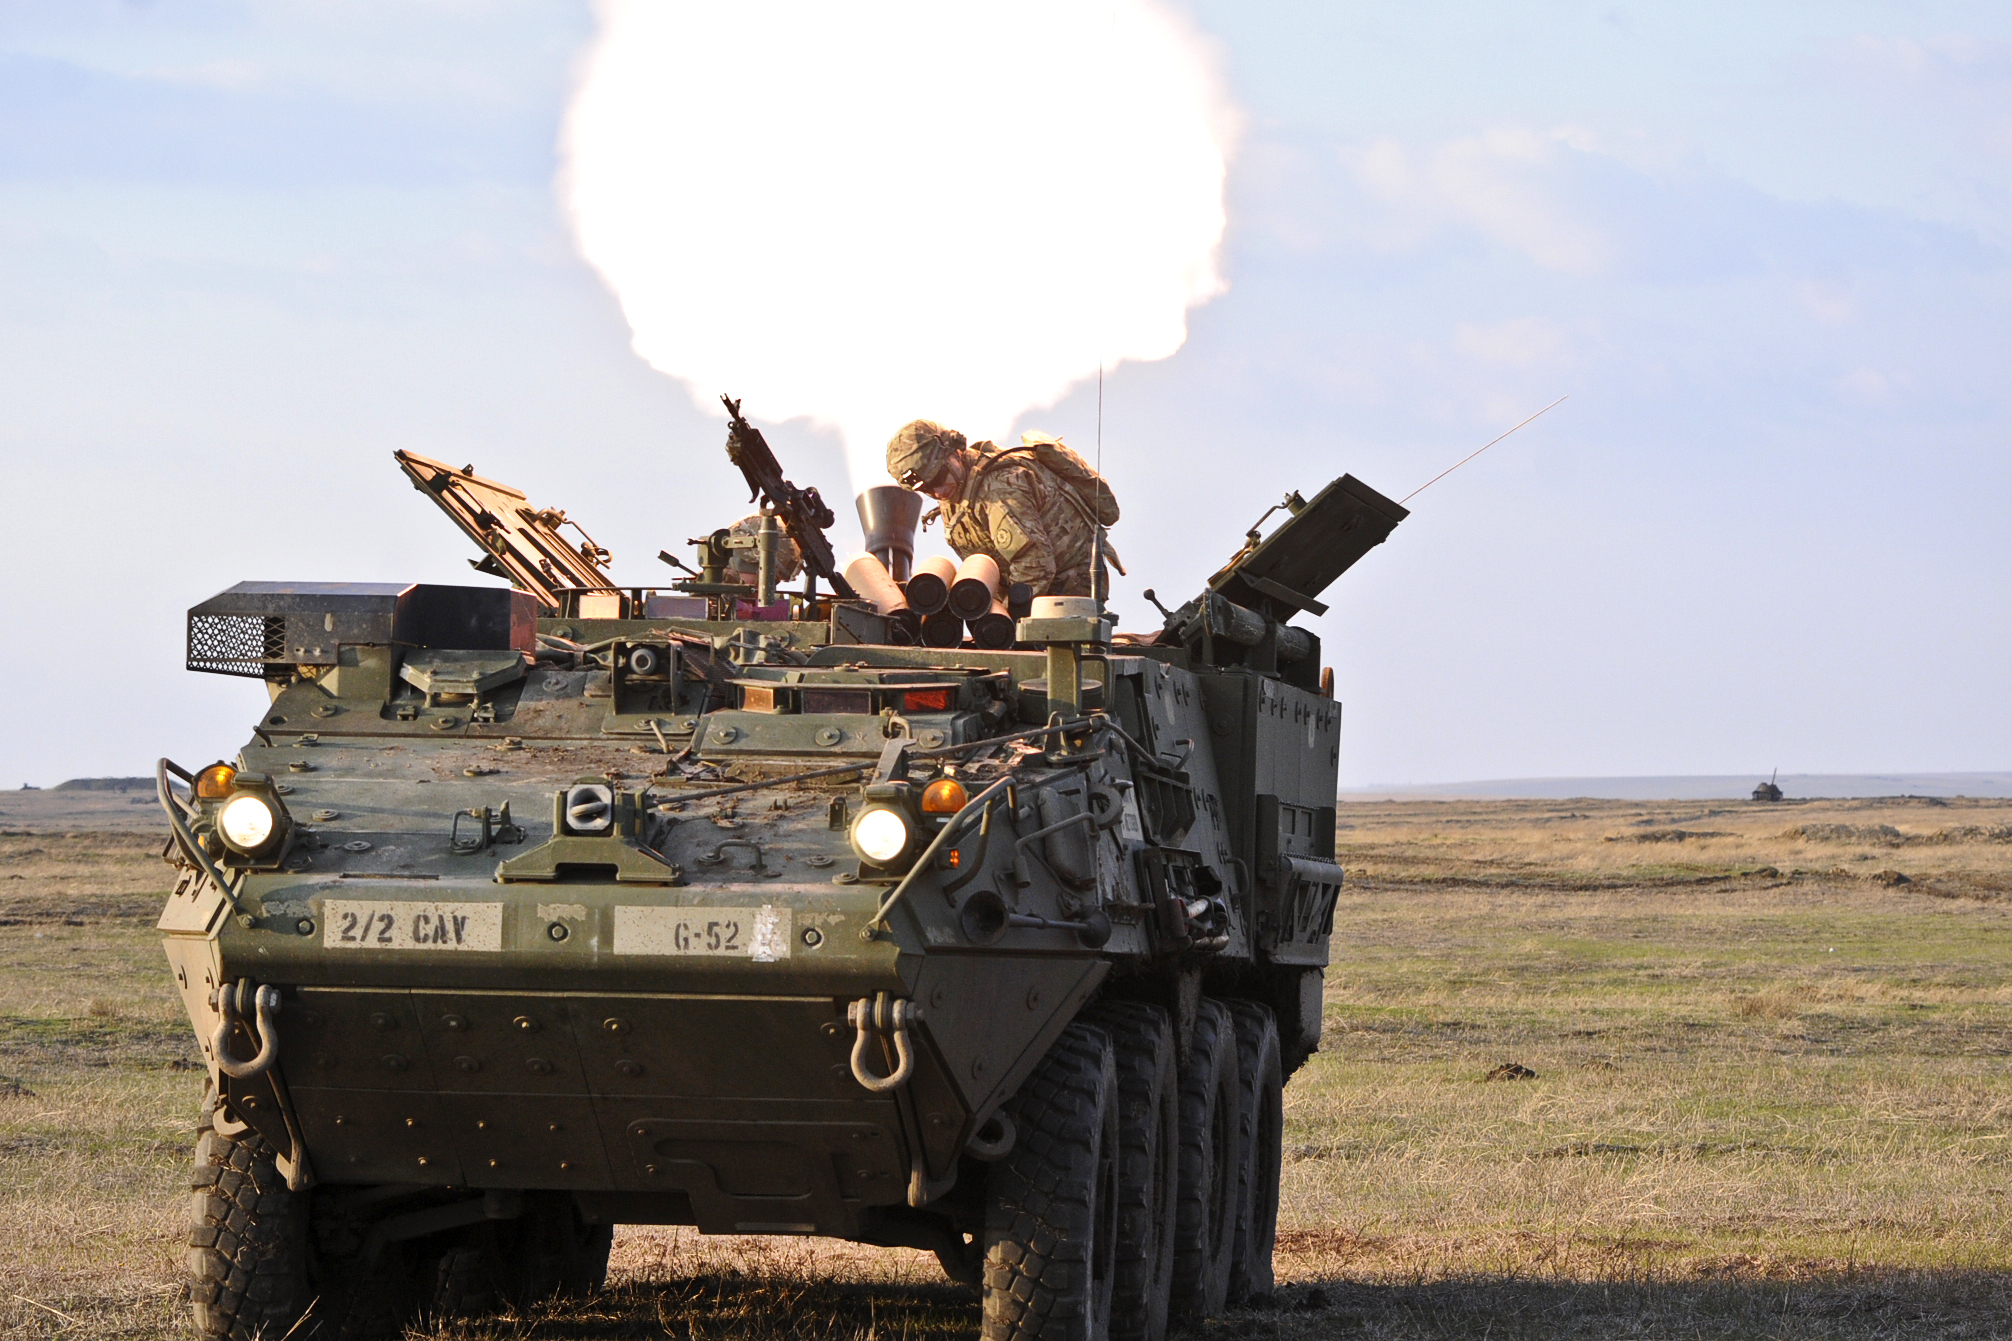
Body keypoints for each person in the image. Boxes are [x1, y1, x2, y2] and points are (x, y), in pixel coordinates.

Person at [885, 420, 1120, 599]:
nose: (935, 492)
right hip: (1030, 592)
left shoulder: (999, 489)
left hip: (1068, 592)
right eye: (925, 488)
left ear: (954, 452)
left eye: (937, 478)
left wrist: (1004, 617)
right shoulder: (957, 489)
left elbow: (1035, 566)